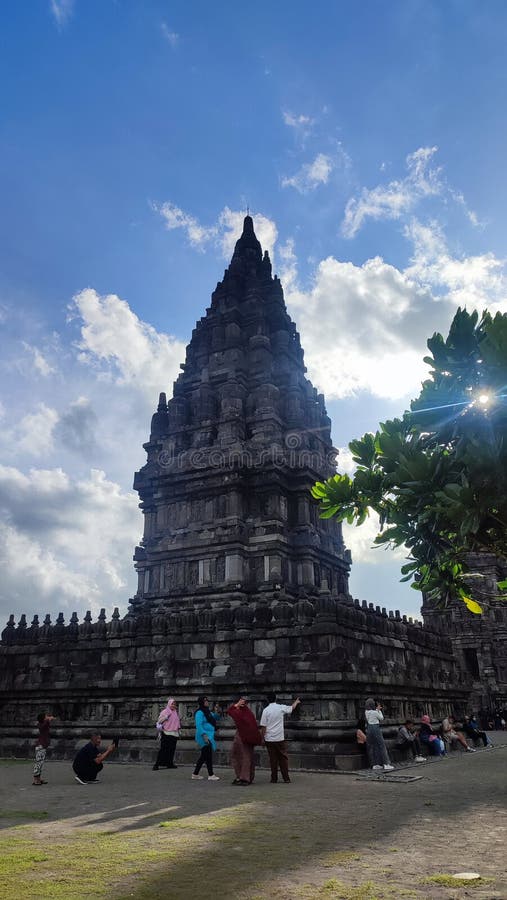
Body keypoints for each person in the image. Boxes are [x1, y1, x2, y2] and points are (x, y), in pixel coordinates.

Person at [259, 692, 300, 783]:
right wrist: (296, 702)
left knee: (273, 759)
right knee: (283, 758)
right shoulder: (280, 707)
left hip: (269, 738)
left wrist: (262, 739)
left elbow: (263, 726)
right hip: (280, 738)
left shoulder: (266, 710)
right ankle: (286, 778)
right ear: (275, 699)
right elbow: (291, 708)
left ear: (267, 700)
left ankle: (274, 778)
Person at [227, 694, 262, 785]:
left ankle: (244, 778)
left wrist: (236, 705)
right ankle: (246, 777)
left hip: (243, 736)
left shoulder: (241, 712)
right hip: (246, 736)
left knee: (243, 756)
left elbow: (230, 711)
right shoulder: (248, 713)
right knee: (245, 756)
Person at [192, 696, 221, 781]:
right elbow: (199, 725)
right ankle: (210, 774)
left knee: (205, 756)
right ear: (201, 702)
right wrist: (204, 735)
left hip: (209, 735)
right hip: (203, 736)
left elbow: (215, 717)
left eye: (207, 700)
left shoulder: (207, 712)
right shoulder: (199, 713)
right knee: (207, 755)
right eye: (205, 701)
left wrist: (216, 711)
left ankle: (195, 773)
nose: (207, 702)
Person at [364, 698, 394, 771]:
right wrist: (379, 710)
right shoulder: (375, 712)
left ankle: (375, 764)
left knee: (372, 746)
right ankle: (386, 763)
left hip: (369, 728)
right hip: (375, 727)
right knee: (381, 745)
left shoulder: (366, 712)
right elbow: (381, 718)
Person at [153, 698, 181, 770]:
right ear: (169, 704)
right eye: (172, 704)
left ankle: (170, 763)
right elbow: (159, 721)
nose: (173, 705)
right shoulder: (165, 711)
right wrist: (166, 717)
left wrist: (178, 730)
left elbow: (177, 722)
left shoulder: (175, 712)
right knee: (163, 749)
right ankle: (157, 764)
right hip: (166, 732)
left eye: (175, 704)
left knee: (172, 749)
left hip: (174, 733)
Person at [33, 711, 55, 786]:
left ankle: (38, 778)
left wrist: (48, 719)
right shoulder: (40, 725)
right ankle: (36, 780)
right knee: (38, 763)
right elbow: (44, 725)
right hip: (40, 746)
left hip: (43, 746)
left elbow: (47, 725)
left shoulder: (44, 725)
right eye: (45, 717)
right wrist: (48, 719)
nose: (47, 717)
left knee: (40, 763)